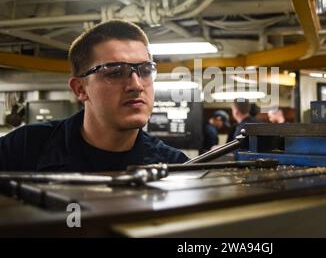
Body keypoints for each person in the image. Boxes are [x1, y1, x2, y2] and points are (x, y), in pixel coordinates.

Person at [0, 20, 189, 172]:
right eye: (115, 72)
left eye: (146, 70)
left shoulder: (176, 168)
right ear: (80, 89)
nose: (136, 85)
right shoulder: (22, 149)